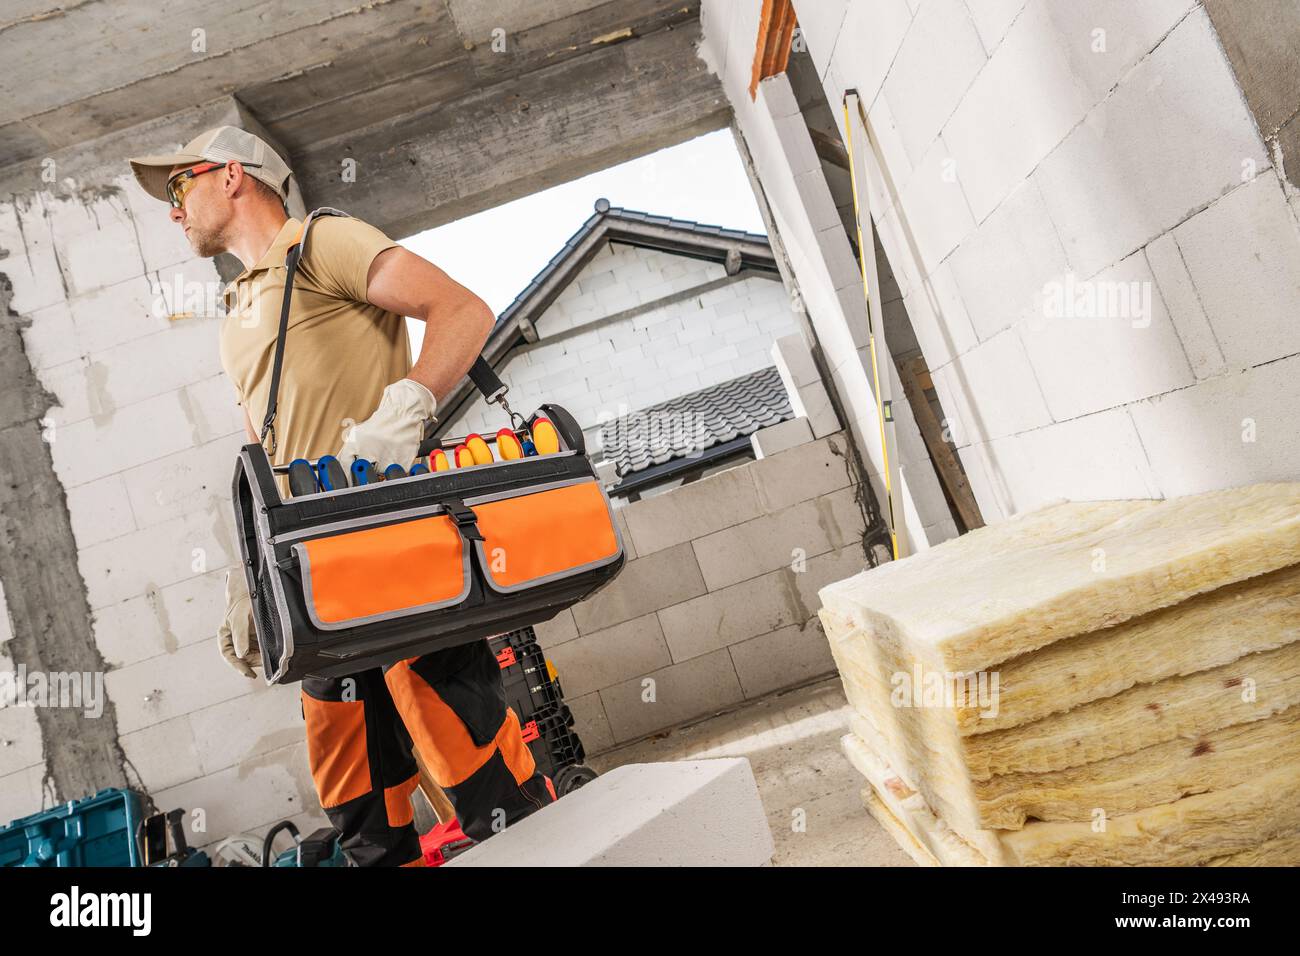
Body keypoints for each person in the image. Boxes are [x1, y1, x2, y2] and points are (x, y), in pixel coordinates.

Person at [128, 126, 555, 866]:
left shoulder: (321, 244)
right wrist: (253, 575)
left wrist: (407, 406)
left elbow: (463, 309)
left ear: (234, 174)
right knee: (361, 809)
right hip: (314, 584)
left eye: (178, 185)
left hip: (394, 552)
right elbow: (268, 451)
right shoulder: (237, 310)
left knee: (477, 772)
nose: (172, 209)